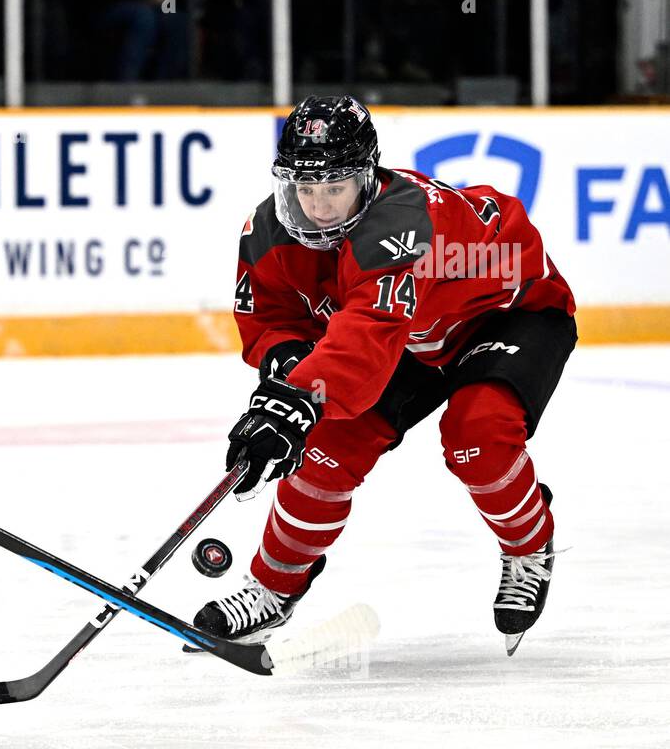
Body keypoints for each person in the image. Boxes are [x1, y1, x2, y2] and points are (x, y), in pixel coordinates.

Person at [195, 95, 576, 656]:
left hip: (505, 315)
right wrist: (284, 371)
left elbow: (365, 336)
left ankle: (528, 545)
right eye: (305, 187)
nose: (319, 206)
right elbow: (271, 317)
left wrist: (296, 398)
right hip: (409, 336)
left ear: (368, 178)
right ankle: (273, 590)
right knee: (324, 449)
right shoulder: (268, 230)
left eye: (335, 188)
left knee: (479, 437)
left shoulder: (403, 222)